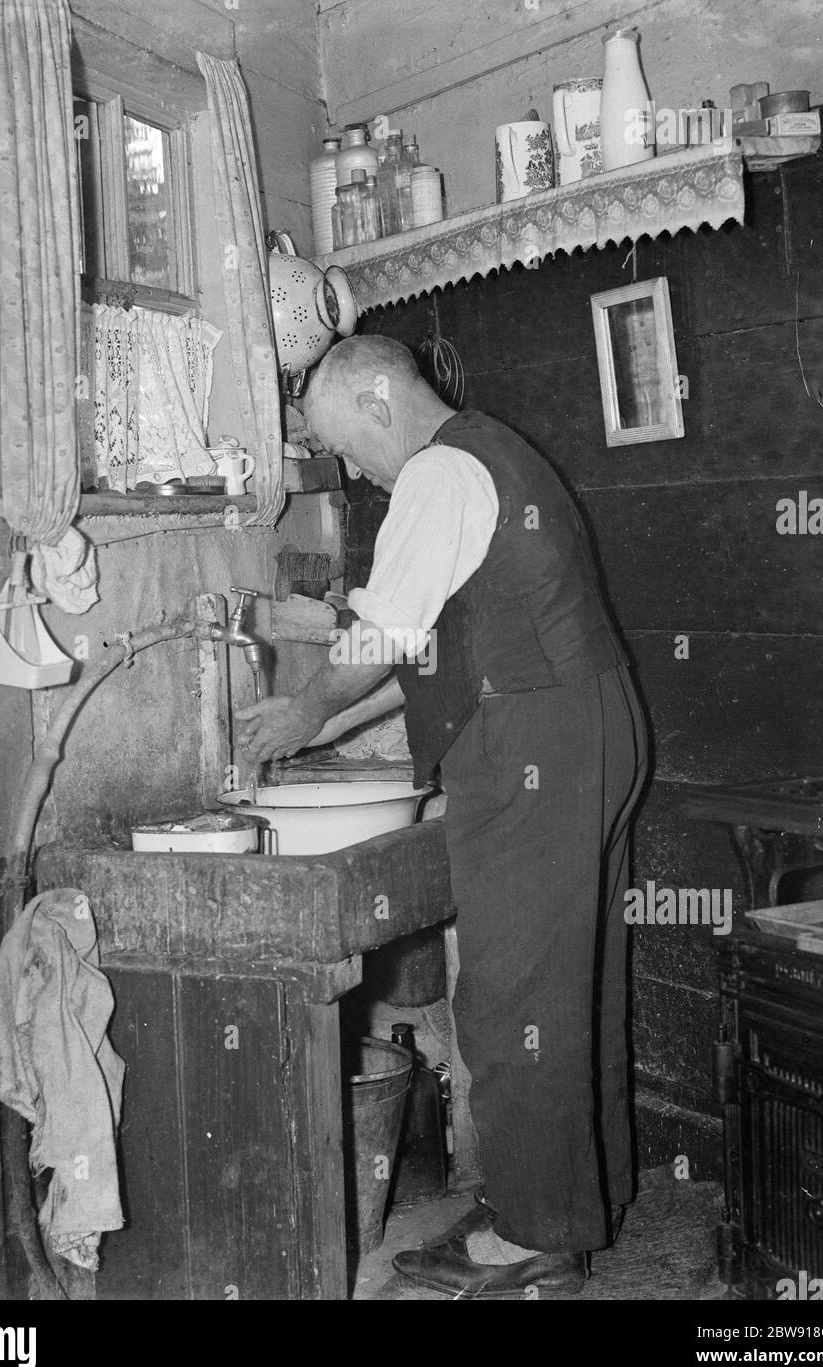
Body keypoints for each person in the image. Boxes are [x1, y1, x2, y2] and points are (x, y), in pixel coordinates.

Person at [237, 335, 648, 1298]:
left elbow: (381, 636)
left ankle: (535, 1235)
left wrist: (304, 709)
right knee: (576, 977)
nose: (358, 469)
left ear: (380, 398)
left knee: (513, 992)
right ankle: (588, 1199)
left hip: (535, 746)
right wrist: (324, 720)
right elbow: (429, 648)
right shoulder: (491, 451)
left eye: (349, 443)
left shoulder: (438, 470)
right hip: (591, 720)